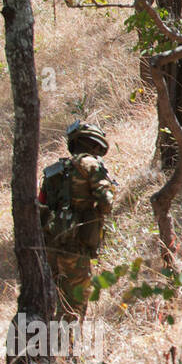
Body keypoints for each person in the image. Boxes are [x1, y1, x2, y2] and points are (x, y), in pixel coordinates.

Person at [38, 121, 115, 321]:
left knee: (55, 300)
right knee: (75, 304)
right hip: (76, 246)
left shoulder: (53, 170)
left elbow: (41, 205)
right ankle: (67, 350)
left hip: (51, 246)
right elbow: (106, 202)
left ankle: (46, 346)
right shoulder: (91, 165)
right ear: (94, 144)